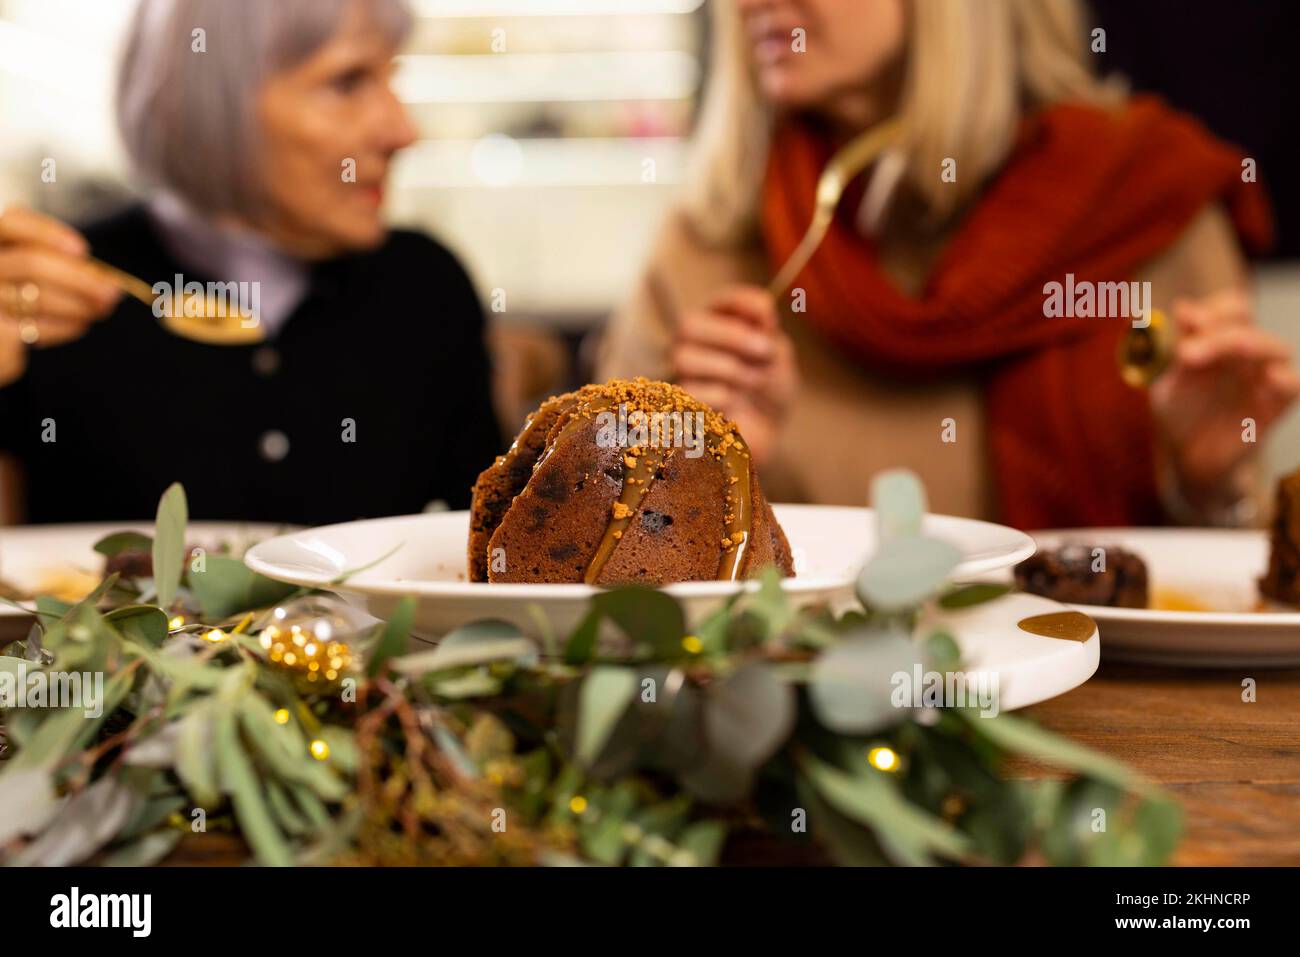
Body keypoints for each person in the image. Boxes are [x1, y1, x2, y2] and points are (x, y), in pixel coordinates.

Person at [600, 0, 1299, 529]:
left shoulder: (1154, 217)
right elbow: (615, 584)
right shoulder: (700, 253)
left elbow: (1218, 597)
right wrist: (701, 481)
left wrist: (1205, 485)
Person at [0, 0, 501, 525]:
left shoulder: (425, 288)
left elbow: (487, 558)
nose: (402, 130)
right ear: (211, 104)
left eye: (391, 76)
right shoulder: (45, 293)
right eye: (348, 82)